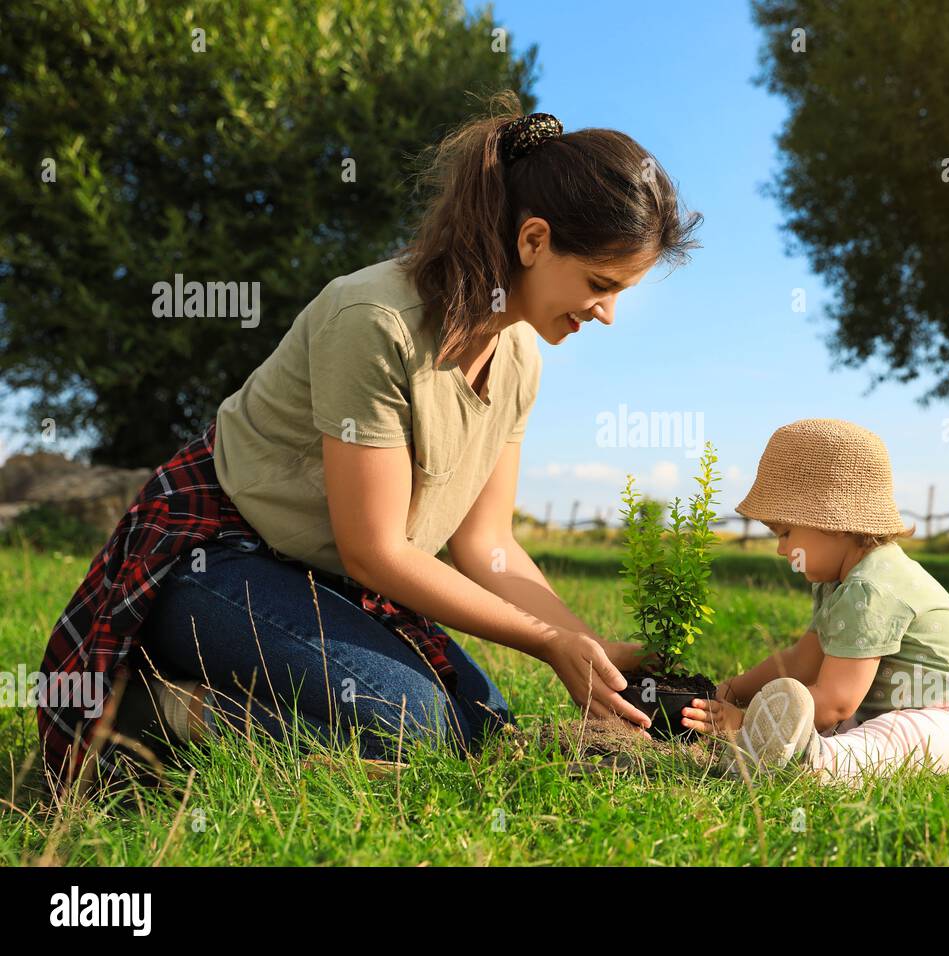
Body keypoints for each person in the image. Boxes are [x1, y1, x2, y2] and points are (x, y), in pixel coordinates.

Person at [36, 91, 703, 797]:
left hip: (326, 585)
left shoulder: (519, 358)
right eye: (601, 285)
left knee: (481, 723)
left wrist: (590, 650)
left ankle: (239, 726)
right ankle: (149, 715)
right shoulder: (375, 320)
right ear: (533, 240)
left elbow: (487, 544)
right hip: (214, 562)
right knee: (412, 722)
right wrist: (542, 642)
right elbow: (375, 548)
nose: (607, 314)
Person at [681, 419, 949, 785]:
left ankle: (810, 761)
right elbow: (799, 663)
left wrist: (744, 721)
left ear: (835, 522)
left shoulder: (874, 586)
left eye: (786, 533)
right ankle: (788, 746)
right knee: (867, 730)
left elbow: (836, 702)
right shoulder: (837, 583)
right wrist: (727, 691)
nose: (780, 549)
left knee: (892, 740)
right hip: (889, 714)